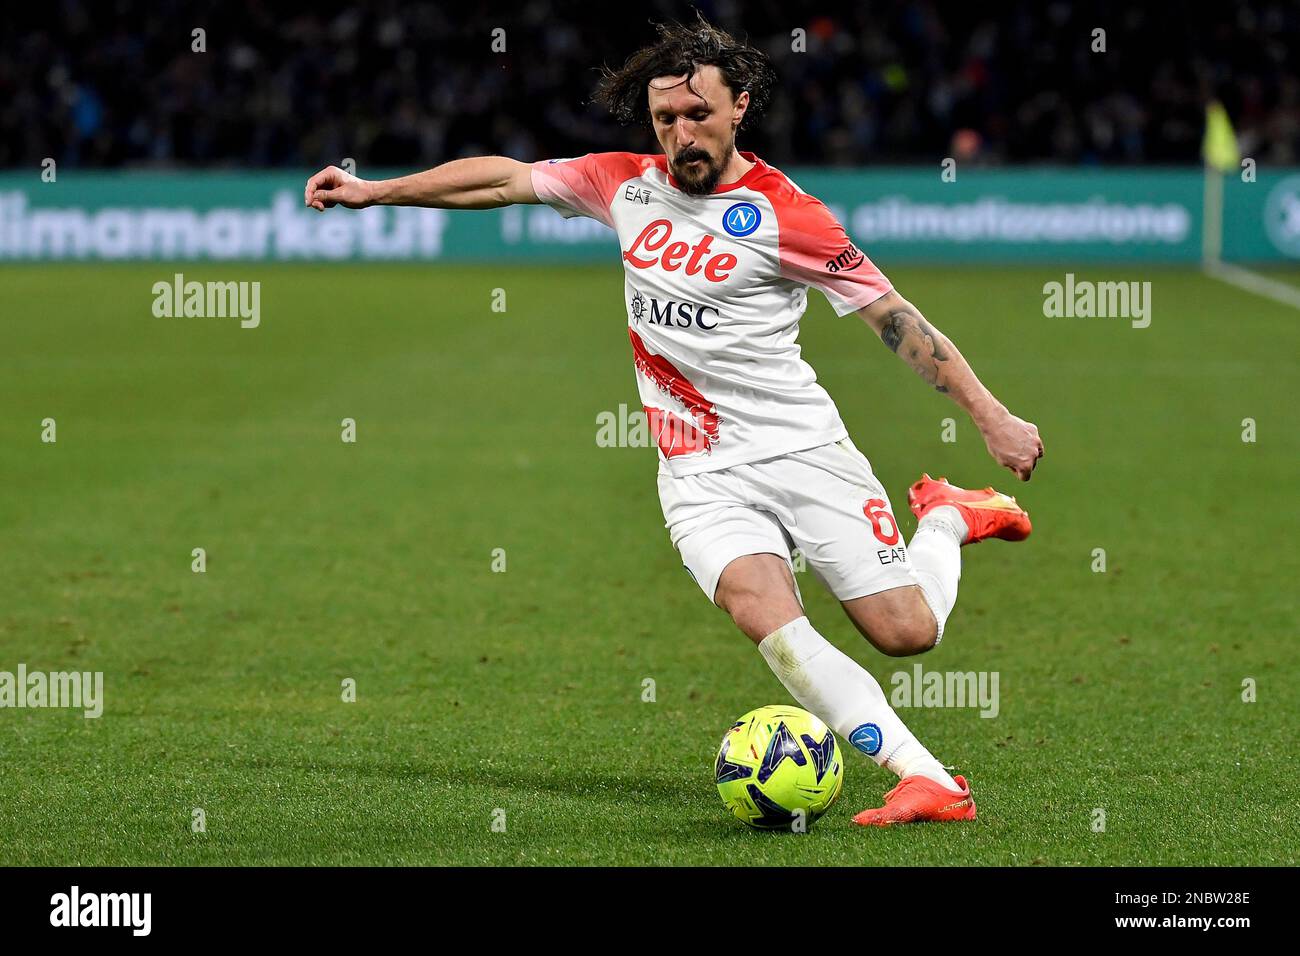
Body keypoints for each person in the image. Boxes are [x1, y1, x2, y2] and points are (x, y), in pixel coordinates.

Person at [304, 16, 1043, 826]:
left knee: (907, 633)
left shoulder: (786, 214)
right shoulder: (621, 184)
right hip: (696, 471)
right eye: (665, 121)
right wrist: (376, 189)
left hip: (803, 451)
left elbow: (897, 321)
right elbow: (502, 180)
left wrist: (991, 415)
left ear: (739, 109)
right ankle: (925, 775)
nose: (681, 134)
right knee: (767, 616)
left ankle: (944, 519)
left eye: (698, 116)